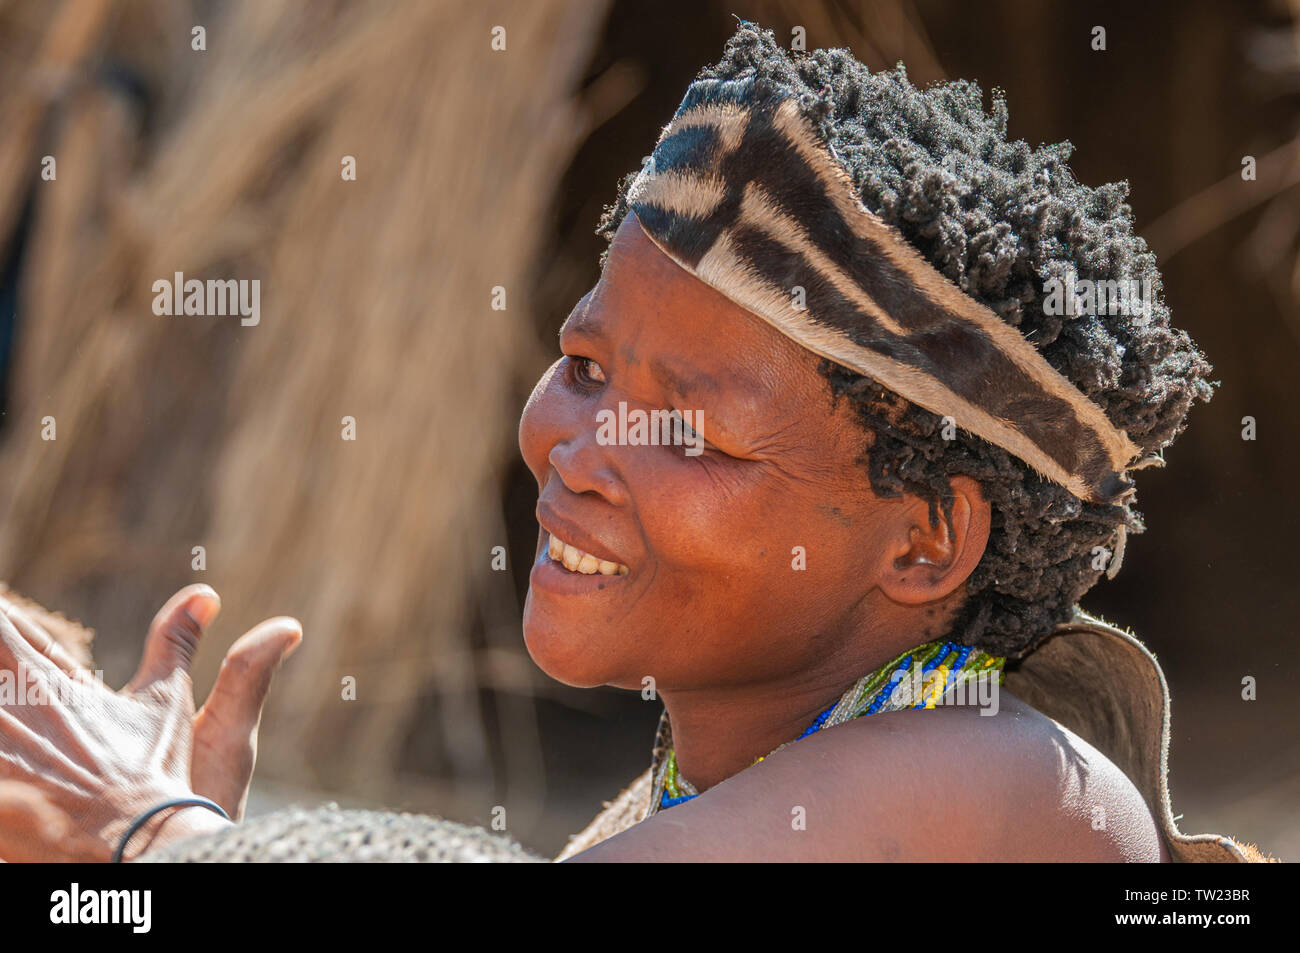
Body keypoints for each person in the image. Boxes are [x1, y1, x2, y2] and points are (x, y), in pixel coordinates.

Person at [0, 21, 1267, 862]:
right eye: (586, 365)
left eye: (693, 433)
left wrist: (156, 833)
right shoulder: (696, 803)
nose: (577, 447)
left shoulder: (992, 782)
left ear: (926, 536)